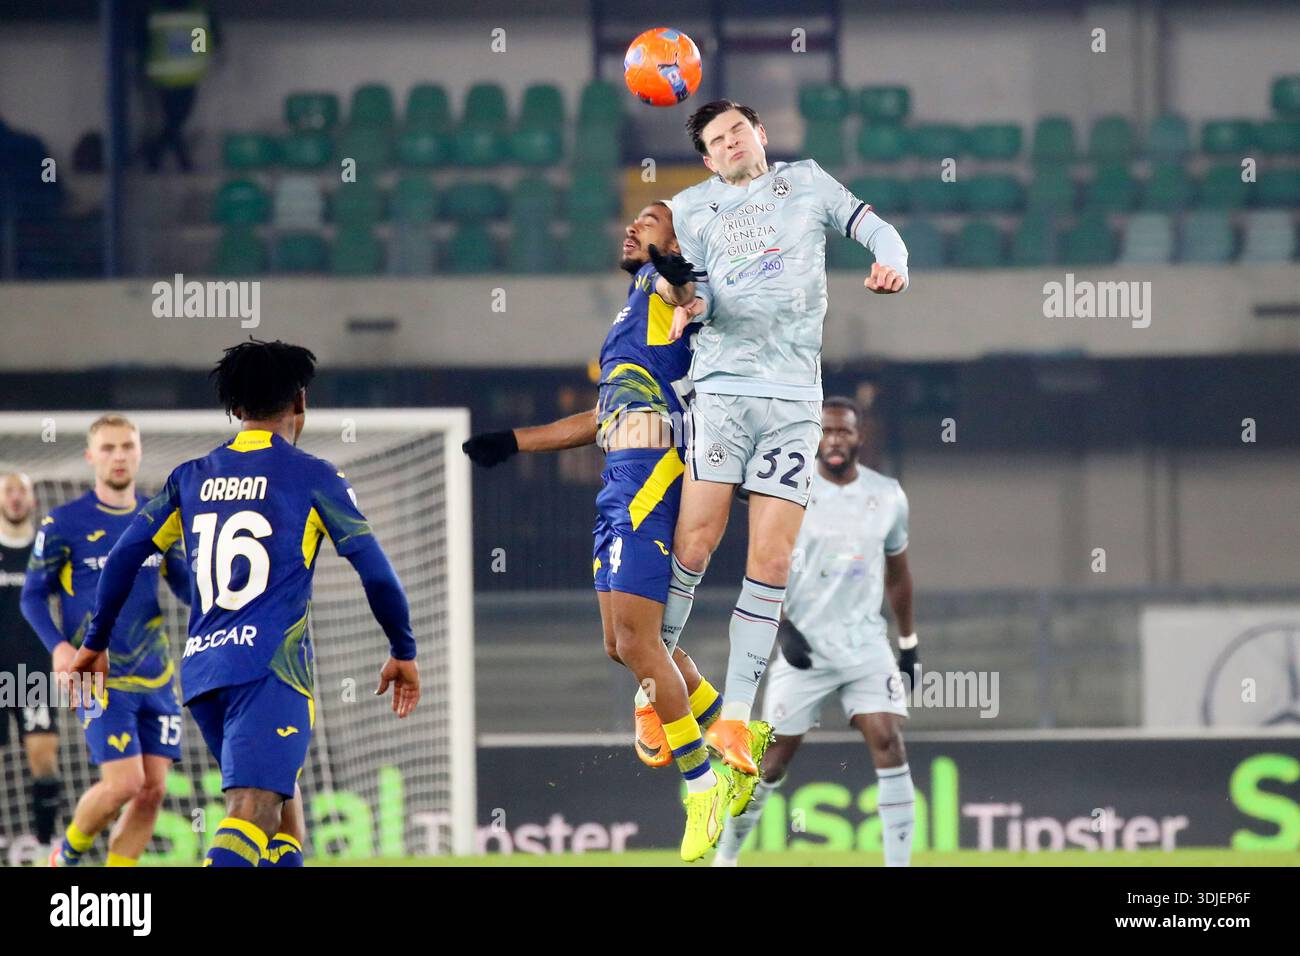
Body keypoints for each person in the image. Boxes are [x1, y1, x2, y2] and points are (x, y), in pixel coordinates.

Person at [70, 340, 419, 867]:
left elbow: (124, 557)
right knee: (252, 808)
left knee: (283, 809)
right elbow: (379, 576)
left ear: (233, 408)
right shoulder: (313, 476)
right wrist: (403, 648)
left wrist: (95, 642)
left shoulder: (189, 477)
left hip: (206, 672)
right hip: (269, 668)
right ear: (300, 401)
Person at [649, 100, 909, 805]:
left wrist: (894, 258)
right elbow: (688, 290)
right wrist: (686, 303)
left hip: (795, 400)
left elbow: (874, 225)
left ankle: (733, 719)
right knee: (697, 546)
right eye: (716, 141)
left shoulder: (807, 182)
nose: (731, 144)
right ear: (706, 159)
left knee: (769, 562)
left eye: (739, 131)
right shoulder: (691, 207)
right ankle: (656, 682)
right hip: (726, 390)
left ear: (760, 135)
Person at [464, 201, 733, 861]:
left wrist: (673, 262)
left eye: (650, 218)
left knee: (639, 644)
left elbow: (692, 288)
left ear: (676, 238)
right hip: (622, 478)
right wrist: (517, 441)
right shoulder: (631, 312)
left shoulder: (666, 288)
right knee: (620, 645)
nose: (631, 224)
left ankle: (703, 785)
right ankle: (716, 718)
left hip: (649, 475)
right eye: (634, 218)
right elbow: (603, 413)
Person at [714, 398, 918, 866]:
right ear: (814, 436)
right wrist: (782, 627)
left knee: (888, 740)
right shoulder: (791, 493)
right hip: (803, 646)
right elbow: (765, 563)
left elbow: (899, 574)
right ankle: (725, 860)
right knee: (770, 764)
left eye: (844, 431)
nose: (834, 439)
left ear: (859, 437)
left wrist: (908, 642)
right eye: (826, 430)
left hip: (865, 644)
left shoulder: (888, 495)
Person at [21, 417, 190, 867]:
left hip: (157, 674)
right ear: (91, 456)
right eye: (109, 447)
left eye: (127, 446)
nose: (119, 455)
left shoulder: (158, 516)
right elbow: (33, 595)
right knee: (124, 784)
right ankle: (65, 856)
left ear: (139, 452)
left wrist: (225, 601)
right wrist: (59, 647)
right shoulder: (64, 522)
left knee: (153, 789)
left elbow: (186, 587)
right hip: (99, 675)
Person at [0, 472, 63, 852]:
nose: (16, 497)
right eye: (8, 490)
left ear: (33, 500)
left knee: (43, 757)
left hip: (32, 671)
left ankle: (42, 844)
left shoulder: (47, 551)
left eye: (23, 490)